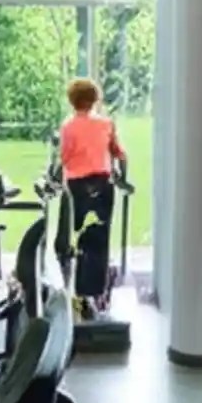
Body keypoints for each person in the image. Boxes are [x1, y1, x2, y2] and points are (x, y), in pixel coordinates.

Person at [56, 79, 126, 308]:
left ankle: (78, 289)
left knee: (78, 235)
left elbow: (65, 156)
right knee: (100, 237)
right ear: (96, 99)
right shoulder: (106, 123)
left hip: (77, 185)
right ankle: (98, 290)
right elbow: (119, 153)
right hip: (102, 182)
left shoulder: (68, 126)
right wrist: (121, 174)